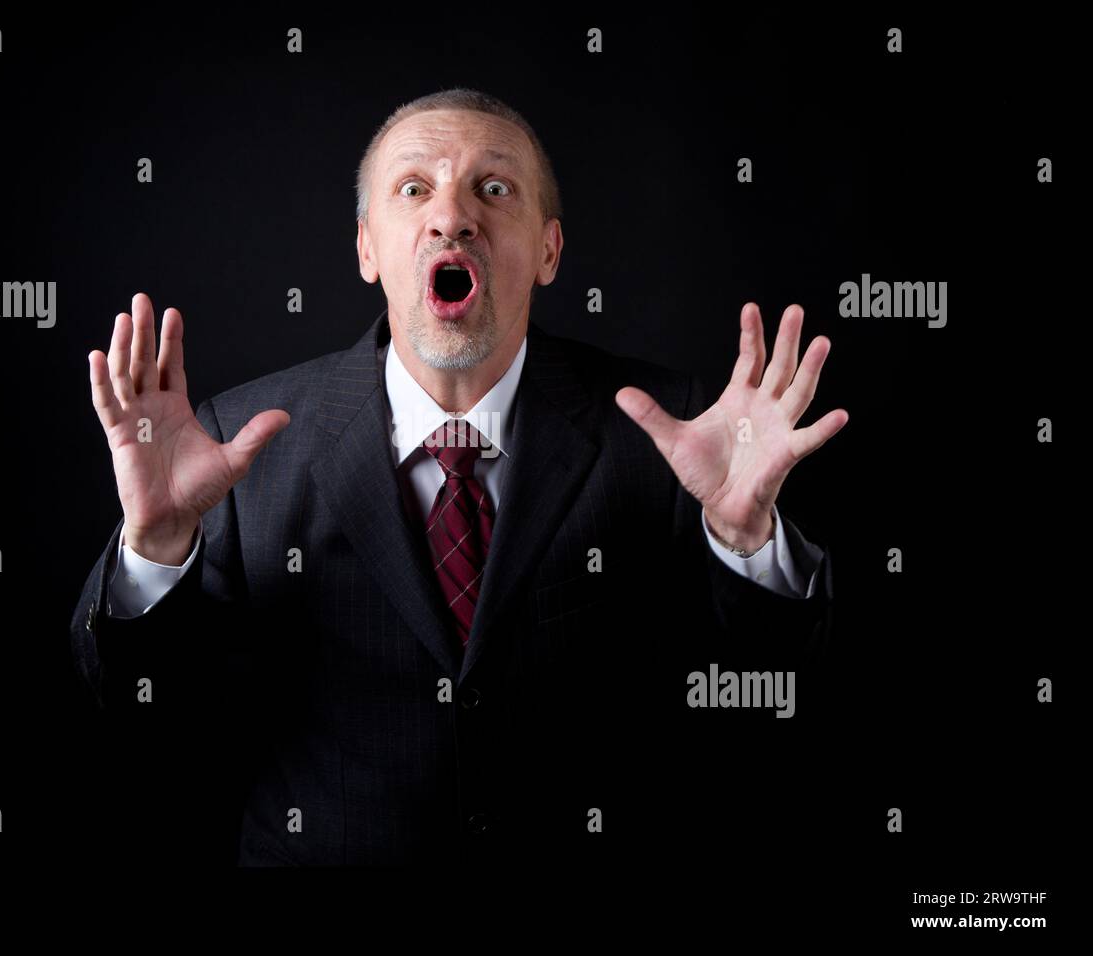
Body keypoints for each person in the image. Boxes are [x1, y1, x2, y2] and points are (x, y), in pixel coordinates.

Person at [71, 88, 847, 866]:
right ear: (368, 248)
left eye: (494, 188)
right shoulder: (234, 442)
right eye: (415, 190)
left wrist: (746, 542)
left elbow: (772, 705)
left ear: (549, 251)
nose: (453, 217)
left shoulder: (675, 430)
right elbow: (144, 718)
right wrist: (156, 545)